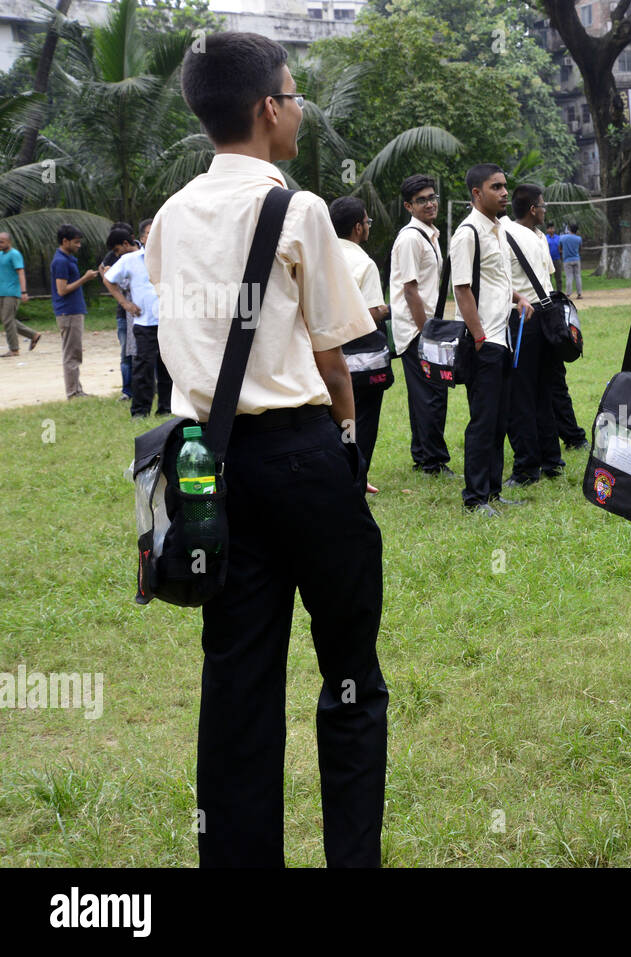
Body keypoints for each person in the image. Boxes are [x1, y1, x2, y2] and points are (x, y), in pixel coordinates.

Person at [147, 31, 387, 866]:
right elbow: (334, 354)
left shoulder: (169, 218)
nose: (297, 110)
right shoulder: (299, 209)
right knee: (350, 672)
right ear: (266, 110)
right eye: (293, 96)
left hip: (214, 472)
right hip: (302, 456)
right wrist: (348, 439)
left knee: (239, 682)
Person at [451, 163, 534, 516]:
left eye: (504, 187)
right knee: (483, 421)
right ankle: (475, 498)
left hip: (504, 340)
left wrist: (518, 297)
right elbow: (462, 289)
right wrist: (479, 335)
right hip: (484, 342)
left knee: (500, 419)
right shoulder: (467, 233)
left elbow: (497, 278)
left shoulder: (498, 229)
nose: (504, 193)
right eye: (496, 187)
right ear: (476, 193)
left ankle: (494, 492)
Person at [390, 174, 453, 477]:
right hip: (418, 331)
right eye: (422, 200)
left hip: (426, 327)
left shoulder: (428, 234)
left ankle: (423, 455)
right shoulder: (410, 238)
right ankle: (434, 461)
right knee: (432, 395)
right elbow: (410, 289)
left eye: (432, 197)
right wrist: (426, 332)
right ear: (408, 206)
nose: (430, 204)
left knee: (424, 395)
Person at [503, 183, 565, 487]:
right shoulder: (530, 237)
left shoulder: (511, 234)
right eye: (542, 206)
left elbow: (500, 282)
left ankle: (528, 468)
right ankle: (551, 460)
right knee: (542, 391)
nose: (545, 210)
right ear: (532, 209)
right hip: (540, 316)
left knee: (522, 395)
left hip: (524, 319)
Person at [330, 195, 390, 490]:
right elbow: (368, 315)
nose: (368, 227)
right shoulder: (363, 262)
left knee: (333, 421)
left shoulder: (321, 256)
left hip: (323, 355)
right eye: (367, 222)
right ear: (357, 227)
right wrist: (386, 310)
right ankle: (357, 476)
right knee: (361, 421)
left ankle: (336, 475)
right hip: (359, 358)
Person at [106, 219, 172, 418]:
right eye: (149, 234)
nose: (154, 237)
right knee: (143, 367)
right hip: (145, 324)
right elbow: (109, 280)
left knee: (168, 367)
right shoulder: (131, 260)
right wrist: (126, 304)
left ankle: (166, 409)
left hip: (169, 323)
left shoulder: (172, 258)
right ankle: (140, 412)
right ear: (142, 238)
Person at [51, 225, 99, 399]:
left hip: (73, 311)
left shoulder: (67, 259)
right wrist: (84, 279)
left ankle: (77, 389)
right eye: (76, 242)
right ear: (65, 241)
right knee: (71, 353)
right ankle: (72, 392)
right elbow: (62, 290)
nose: (79, 245)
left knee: (75, 351)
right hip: (68, 312)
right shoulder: (61, 261)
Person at [99, 221, 138, 397]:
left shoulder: (144, 255)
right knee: (126, 354)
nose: (116, 254)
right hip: (124, 314)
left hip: (145, 313)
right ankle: (127, 390)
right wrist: (123, 302)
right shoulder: (112, 257)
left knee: (148, 354)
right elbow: (105, 275)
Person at [0, 232, 39, 356]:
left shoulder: (15, 254)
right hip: (1, 292)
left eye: (2, 242)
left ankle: (14, 349)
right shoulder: (0, 255)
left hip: (12, 292)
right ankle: (33, 335)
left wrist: (24, 292)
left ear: (9, 242)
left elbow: (21, 273)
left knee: (7, 319)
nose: (0, 244)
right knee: (7, 319)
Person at [559, 223, 582, 299]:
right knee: (578, 276)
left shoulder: (563, 238)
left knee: (569, 277)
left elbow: (559, 248)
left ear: (569, 229)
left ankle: (568, 294)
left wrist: (563, 251)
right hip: (576, 259)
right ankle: (579, 294)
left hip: (567, 260)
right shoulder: (579, 238)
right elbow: (579, 249)